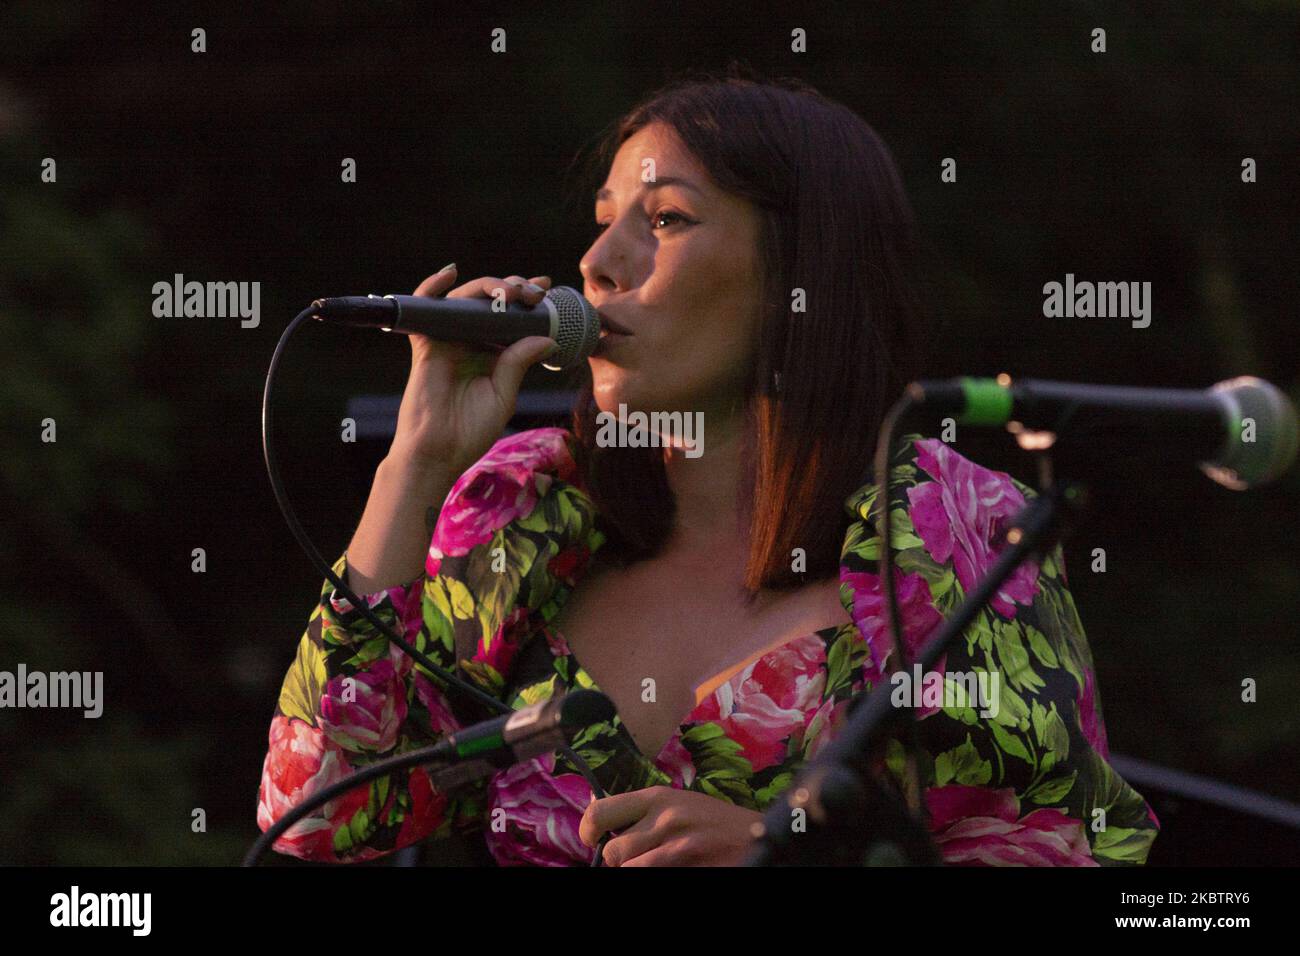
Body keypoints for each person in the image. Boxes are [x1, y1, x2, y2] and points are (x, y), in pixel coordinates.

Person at [256, 71, 1160, 866]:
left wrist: (797, 856)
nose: (598, 265)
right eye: (605, 223)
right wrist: (417, 461)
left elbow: (1071, 853)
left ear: (802, 271)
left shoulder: (954, 530)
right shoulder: (522, 508)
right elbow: (315, 818)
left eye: (666, 220)